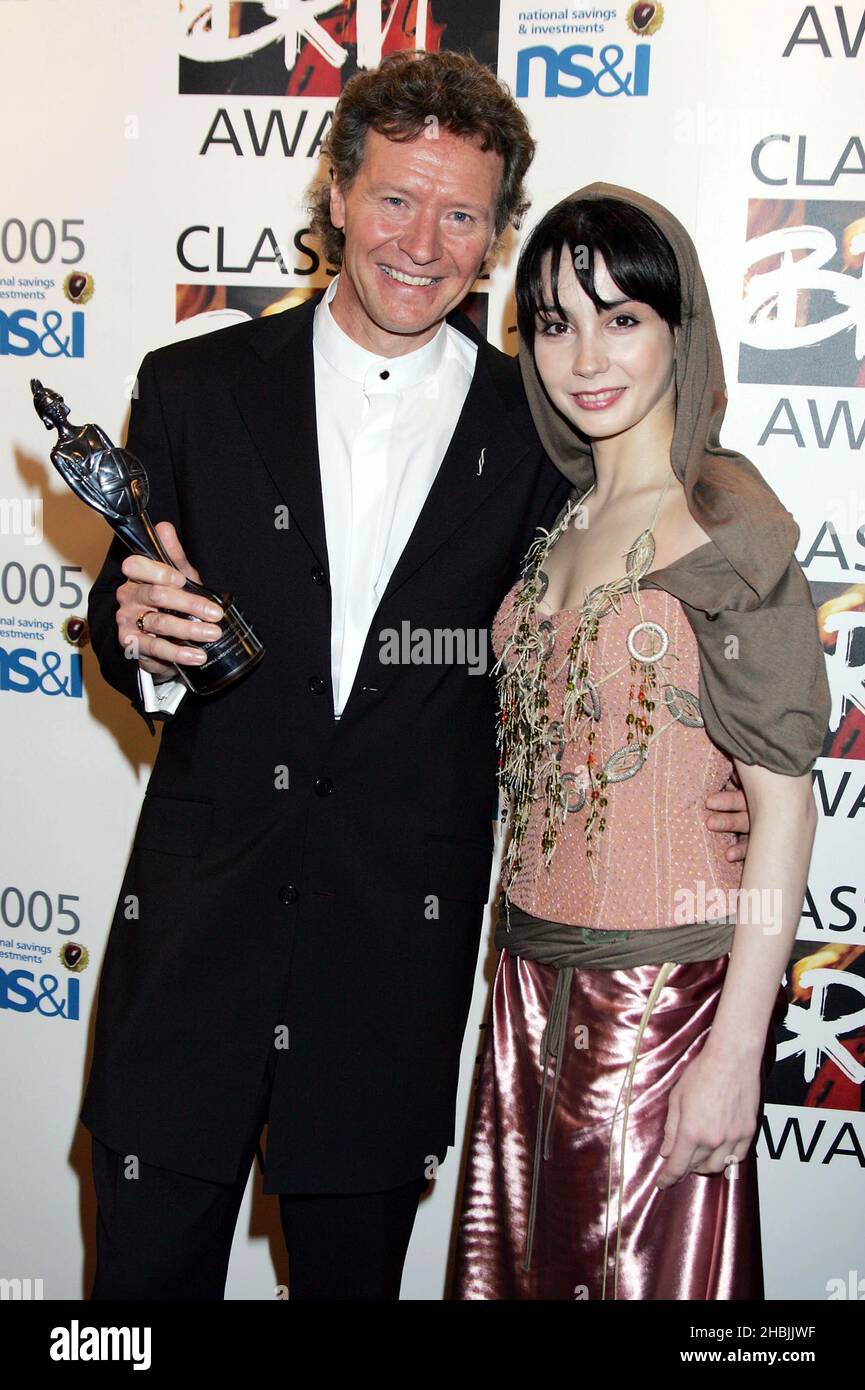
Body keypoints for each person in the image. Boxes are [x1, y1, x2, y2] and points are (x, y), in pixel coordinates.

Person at [80, 53, 748, 1301]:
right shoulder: (191, 388)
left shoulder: (543, 429)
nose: (422, 243)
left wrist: (716, 782)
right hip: (190, 948)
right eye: (394, 199)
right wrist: (136, 638)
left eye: (461, 215)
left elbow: (657, 564)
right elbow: (118, 624)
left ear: (496, 238)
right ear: (335, 194)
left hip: (393, 960)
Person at [452, 184, 830, 1301]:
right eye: (557, 322)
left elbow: (784, 809)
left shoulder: (725, 522)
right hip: (521, 990)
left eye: (622, 316)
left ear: (681, 329)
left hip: (663, 1007)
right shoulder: (556, 522)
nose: (584, 355)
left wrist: (731, 1054)